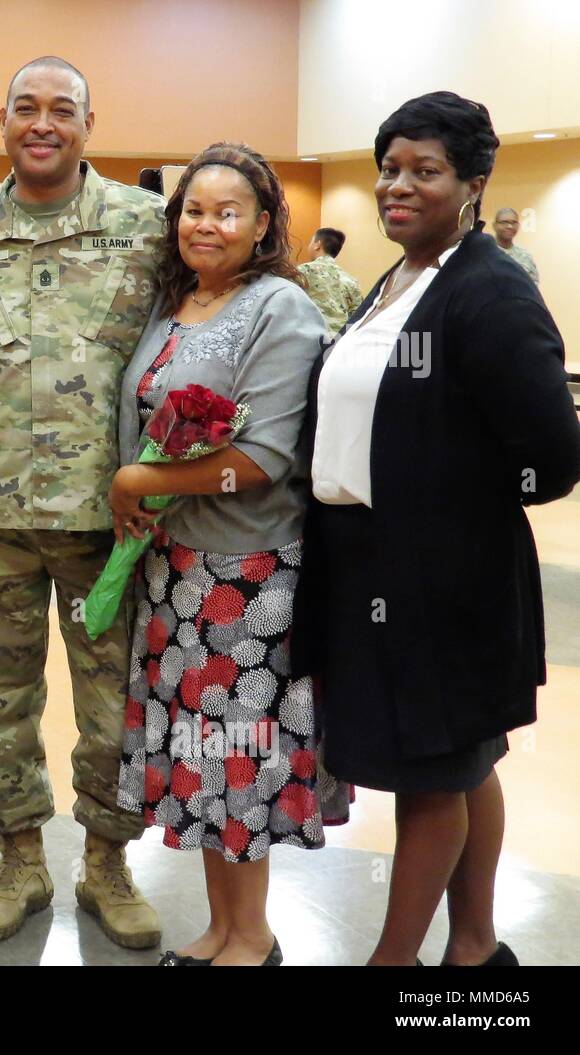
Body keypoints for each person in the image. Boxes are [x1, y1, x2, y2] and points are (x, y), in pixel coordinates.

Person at [292, 91, 580, 966]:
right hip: (368, 564)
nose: (398, 187)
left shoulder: (489, 289)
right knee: (464, 760)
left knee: (429, 776)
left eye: (425, 171)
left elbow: (553, 458)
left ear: (473, 183)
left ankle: (393, 967)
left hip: (440, 579)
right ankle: (473, 948)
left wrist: (436, 504)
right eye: (390, 169)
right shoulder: (399, 279)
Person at [0, 56, 166, 947]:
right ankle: (20, 857)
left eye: (61, 109)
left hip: (107, 521)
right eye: (26, 108)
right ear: (1, 120)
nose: (43, 123)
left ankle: (107, 862)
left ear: (88, 122)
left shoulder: (143, 225)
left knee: (113, 702)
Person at [112, 142, 327, 966]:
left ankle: (254, 936)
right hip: (175, 574)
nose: (207, 225)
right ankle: (220, 927)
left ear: (264, 222)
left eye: (227, 211)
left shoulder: (279, 308)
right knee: (197, 755)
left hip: (248, 576)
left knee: (241, 754)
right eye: (193, 210)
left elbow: (262, 458)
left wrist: (136, 475)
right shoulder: (178, 304)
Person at [298, 227, 362, 335]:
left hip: (312, 339)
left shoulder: (303, 271)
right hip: (339, 343)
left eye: (311, 242)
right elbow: (358, 316)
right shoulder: (351, 280)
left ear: (317, 244)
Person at [492, 207, 540, 284]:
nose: (510, 226)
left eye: (513, 223)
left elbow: (533, 287)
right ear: (495, 226)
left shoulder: (525, 256)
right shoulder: (485, 253)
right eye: (504, 222)